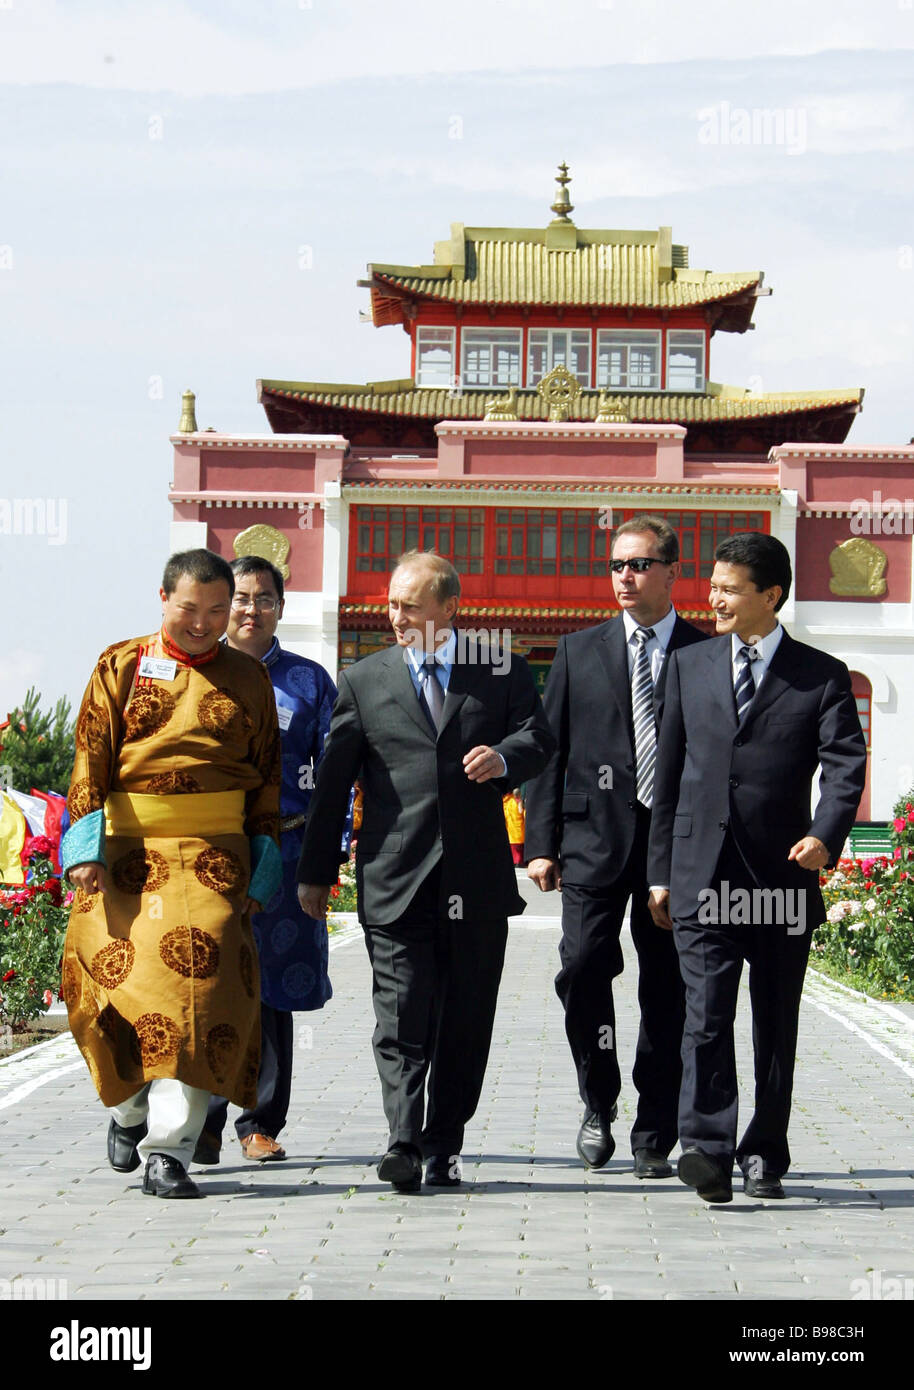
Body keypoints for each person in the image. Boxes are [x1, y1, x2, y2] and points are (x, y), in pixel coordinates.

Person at [297, 550, 554, 1191]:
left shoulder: (500, 669)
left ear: (449, 608)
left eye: (410, 606)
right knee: (400, 1012)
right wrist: (316, 870)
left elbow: (542, 738)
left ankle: (445, 1143)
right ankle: (403, 1141)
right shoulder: (365, 680)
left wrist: (503, 756)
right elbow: (334, 786)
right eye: (391, 604)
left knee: (466, 1020)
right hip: (395, 875)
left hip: (477, 879)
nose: (395, 616)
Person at [647, 532, 866, 1203]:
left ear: (770, 594)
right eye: (711, 586)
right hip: (700, 876)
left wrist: (825, 836)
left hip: (781, 880)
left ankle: (765, 1152)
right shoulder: (688, 664)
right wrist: (660, 868)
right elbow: (670, 771)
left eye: (730, 588)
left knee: (774, 1021)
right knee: (705, 1016)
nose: (713, 598)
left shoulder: (821, 674)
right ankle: (707, 1149)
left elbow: (845, 764)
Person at [60, 549, 281, 1199]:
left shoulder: (248, 678)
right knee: (99, 993)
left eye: (218, 611)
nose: (204, 623)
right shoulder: (120, 664)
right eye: (189, 609)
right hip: (124, 856)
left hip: (214, 863)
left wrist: (262, 873)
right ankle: (128, 1109)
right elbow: (89, 760)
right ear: (162, 599)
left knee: (196, 995)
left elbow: (267, 780)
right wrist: (83, 852)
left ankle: (169, 1150)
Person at [525, 516, 707, 1176]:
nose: (624, 576)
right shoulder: (578, 650)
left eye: (638, 564)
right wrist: (539, 844)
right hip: (592, 842)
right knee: (582, 968)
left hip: (675, 850)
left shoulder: (702, 651)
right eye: (615, 565)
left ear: (671, 570)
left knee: (668, 989)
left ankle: (655, 1128)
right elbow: (549, 751)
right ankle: (597, 1101)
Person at [194, 555, 339, 1166]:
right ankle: (199, 1121)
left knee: (272, 989)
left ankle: (259, 1121)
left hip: (287, 847)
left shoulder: (311, 682)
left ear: (283, 607)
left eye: (265, 599)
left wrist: (325, 861)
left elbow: (337, 776)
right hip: (208, 853)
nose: (252, 610)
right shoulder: (196, 675)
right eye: (242, 598)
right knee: (205, 981)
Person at [503, 787, 526, 866]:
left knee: (514, 846)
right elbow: (522, 812)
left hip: (511, 827)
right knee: (519, 847)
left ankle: (516, 861)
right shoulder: (517, 801)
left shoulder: (507, 800)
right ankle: (519, 861)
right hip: (518, 827)